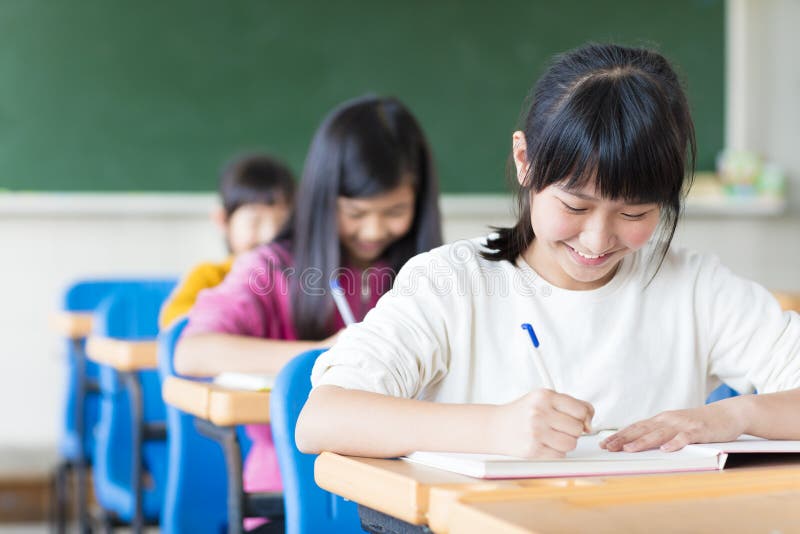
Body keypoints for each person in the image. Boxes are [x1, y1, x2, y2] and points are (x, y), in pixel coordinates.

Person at [296, 43, 800, 462]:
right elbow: (322, 418)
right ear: (525, 160)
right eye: (575, 206)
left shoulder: (696, 289)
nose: (597, 241)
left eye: (634, 213)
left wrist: (734, 414)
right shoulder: (451, 283)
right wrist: (493, 428)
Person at [175, 95, 443, 531]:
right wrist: (325, 353)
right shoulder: (271, 269)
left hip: (406, 497)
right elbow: (192, 352)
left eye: (395, 211)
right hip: (289, 497)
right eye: (356, 213)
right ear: (322, 199)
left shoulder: (430, 275)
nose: (374, 229)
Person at [159, 153, 294, 328]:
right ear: (223, 220)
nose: (269, 235)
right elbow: (175, 324)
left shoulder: (298, 279)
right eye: (255, 221)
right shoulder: (209, 277)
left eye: (282, 222)